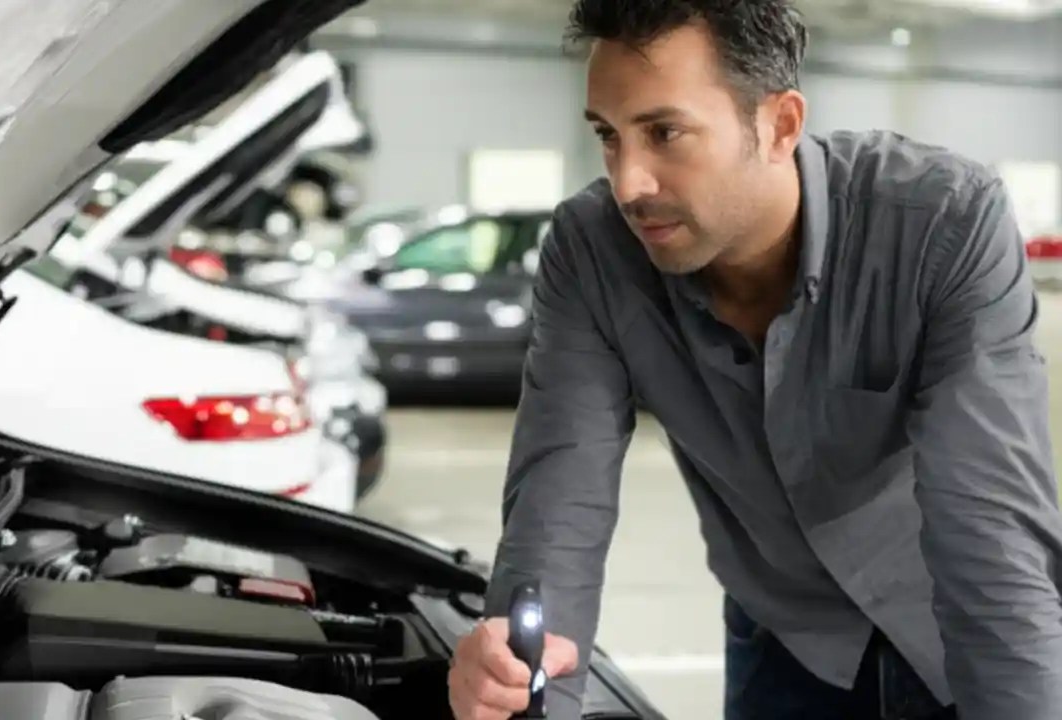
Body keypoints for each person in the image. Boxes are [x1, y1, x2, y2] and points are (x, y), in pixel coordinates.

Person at [445, 1, 1062, 719]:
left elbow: (990, 532)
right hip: (787, 644)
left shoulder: (943, 227)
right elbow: (558, 503)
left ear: (780, 125)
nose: (628, 182)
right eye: (609, 137)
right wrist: (519, 689)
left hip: (961, 637)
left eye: (664, 132)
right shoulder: (593, 254)